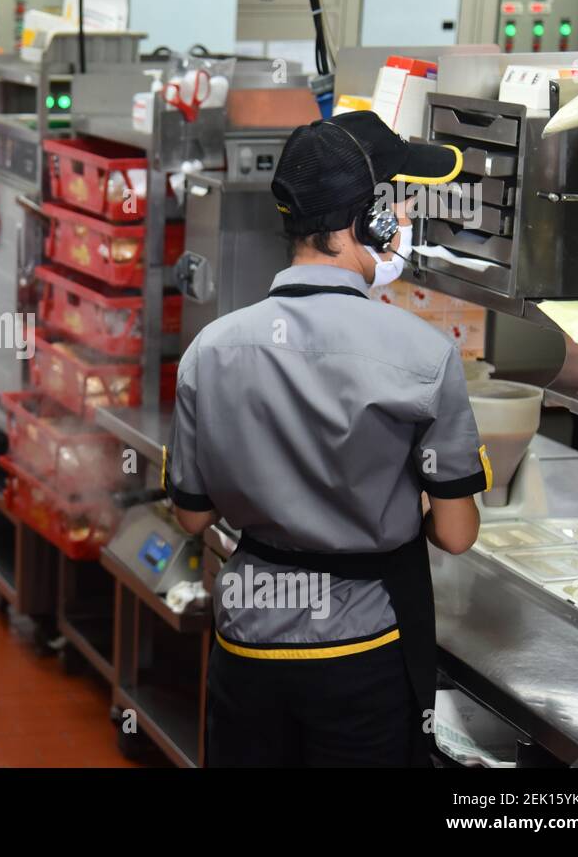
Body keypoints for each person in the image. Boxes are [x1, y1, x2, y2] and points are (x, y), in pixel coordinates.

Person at [165, 111, 488, 767]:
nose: (403, 217)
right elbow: (456, 533)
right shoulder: (424, 357)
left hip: (247, 642)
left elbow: (193, 514)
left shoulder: (211, 349)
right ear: (368, 220)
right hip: (362, 653)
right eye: (397, 200)